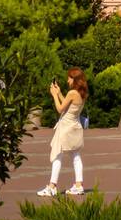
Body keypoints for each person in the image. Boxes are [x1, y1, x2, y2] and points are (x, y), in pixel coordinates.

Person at [38, 68, 88, 198]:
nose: (67, 80)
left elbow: (60, 109)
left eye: (69, 78)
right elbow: (68, 105)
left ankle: (52, 186)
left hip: (65, 127)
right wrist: (59, 93)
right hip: (75, 127)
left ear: (74, 79)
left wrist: (54, 94)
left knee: (57, 155)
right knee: (75, 156)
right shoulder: (81, 93)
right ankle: (79, 185)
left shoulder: (72, 92)